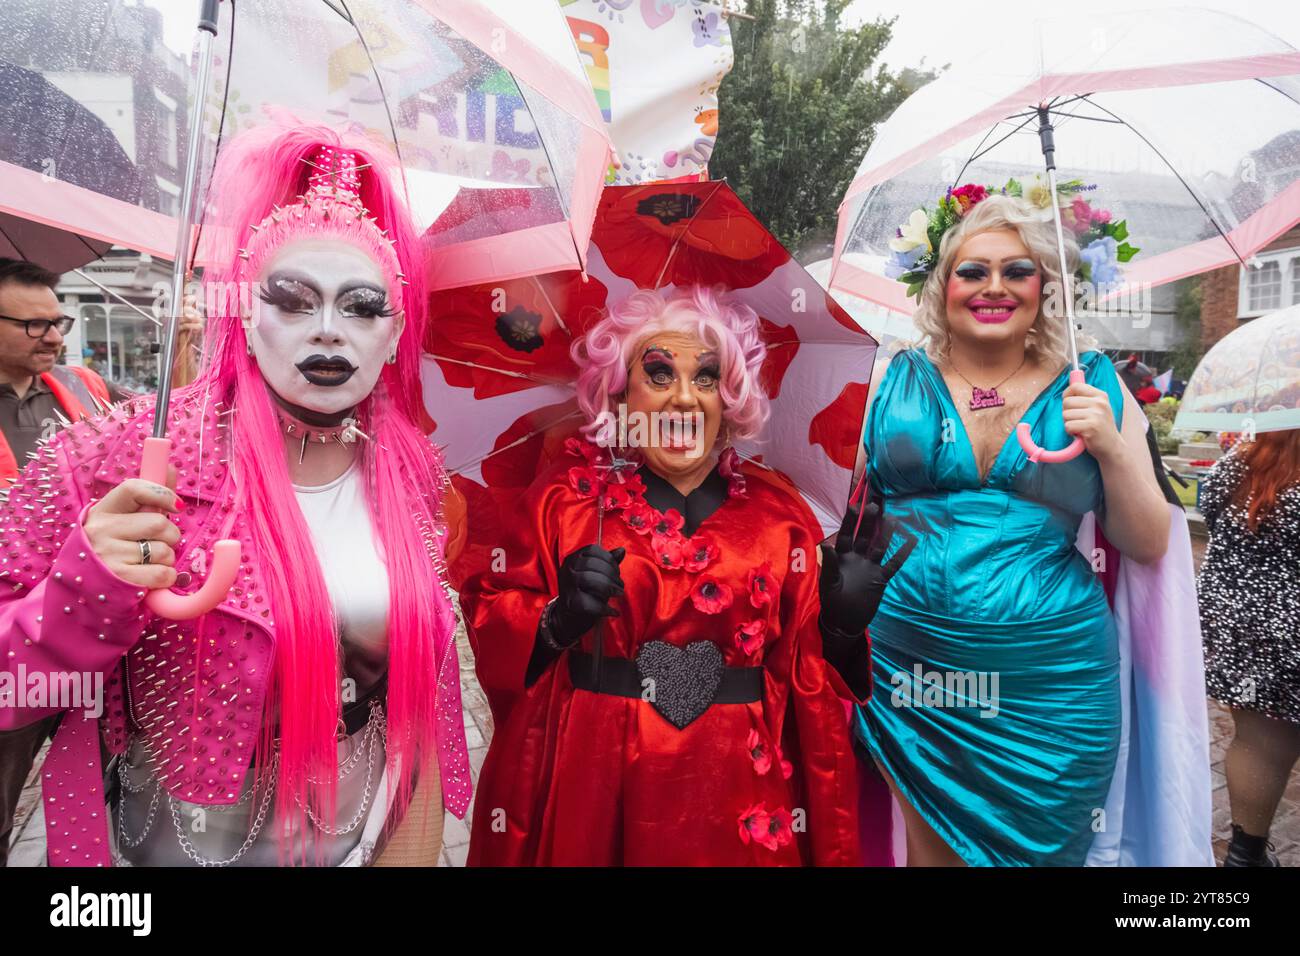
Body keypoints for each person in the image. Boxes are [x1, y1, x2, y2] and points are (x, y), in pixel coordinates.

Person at [0, 124, 469, 866]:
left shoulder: (413, 472)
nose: (328, 331)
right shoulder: (114, 458)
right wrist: (83, 590)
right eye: (291, 300)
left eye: (360, 307)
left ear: (396, 329)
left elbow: (414, 698)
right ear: (246, 315)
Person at [459, 285, 909, 865]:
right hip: (595, 784)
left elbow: (807, 684)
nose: (683, 399)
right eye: (659, 374)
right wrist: (553, 620)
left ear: (730, 398)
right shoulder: (563, 503)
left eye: (706, 378)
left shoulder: (783, 518)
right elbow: (492, 611)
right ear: (620, 397)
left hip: (735, 792)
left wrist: (843, 629)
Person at [855, 192, 1171, 866]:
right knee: (931, 853)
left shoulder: (1094, 387)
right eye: (973, 272)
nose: (993, 287)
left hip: (1051, 680)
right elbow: (836, 506)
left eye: (1017, 271)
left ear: (1045, 289)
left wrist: (1112, 447)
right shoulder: (889, 383)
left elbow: (1148, 542)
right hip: (910, 671)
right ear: (943, 287)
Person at [0, 256, 109, 866]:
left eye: (58, 321)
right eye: (34, 325)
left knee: (86, 786)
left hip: (84, 623)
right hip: (10, 640)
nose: (55, 336)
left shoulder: (84, 388)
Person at [1198, 430, 1300, 866]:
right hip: (1287, 627)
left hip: (1237, 627)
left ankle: (1244, 856)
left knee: (1257, 743)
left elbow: (1209, 513)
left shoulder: (1237, 461)